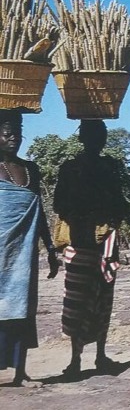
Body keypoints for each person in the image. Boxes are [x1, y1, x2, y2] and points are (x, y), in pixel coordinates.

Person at [53, 119, 130, 379]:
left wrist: (113, 212)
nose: (99, 139)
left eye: (102, 133)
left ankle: (100, 355)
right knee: (77, 301)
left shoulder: (109, 167)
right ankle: (75, 359)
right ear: (82, 138)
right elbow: (59, 204)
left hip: (105, 240)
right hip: (79, 241)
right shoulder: (70, 168)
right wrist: (86, 212)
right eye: (94, 133)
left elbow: (119, 202)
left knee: (103, 298)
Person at [0, 110, 59, 386]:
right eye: (7, 133)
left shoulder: (30, 169)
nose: (14, 138)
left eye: (18, 132)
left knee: (23, 307)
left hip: (24, 252)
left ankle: (20, 372)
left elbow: (38, 212)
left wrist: (50, 248)